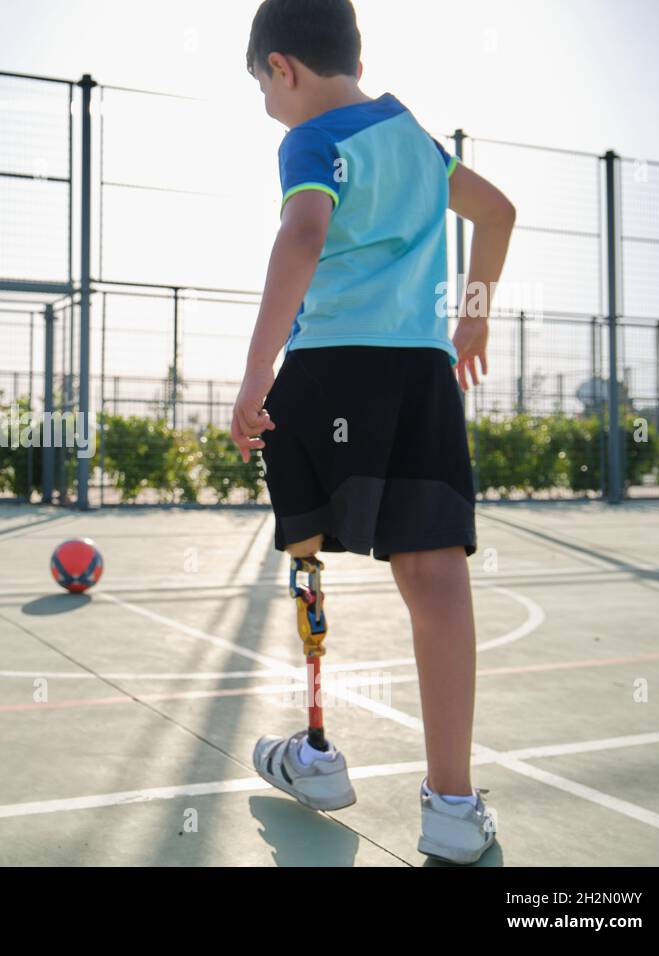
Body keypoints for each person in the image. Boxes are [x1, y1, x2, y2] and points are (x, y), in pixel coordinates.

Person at [231, 0, 516, 864]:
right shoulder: (420, 143)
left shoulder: (312, 137)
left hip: (330, 370)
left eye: (261, 88)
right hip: (421, 375)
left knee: (310, 548)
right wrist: (472, 317)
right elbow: (498, 212)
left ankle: (316, 749)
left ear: (284, 67)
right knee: (436, 579)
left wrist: (255, 372)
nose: (268, 107)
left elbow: (304, 232)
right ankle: (453, 806)